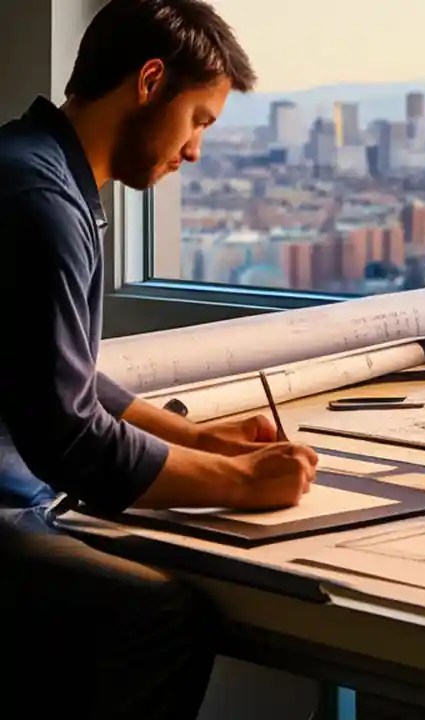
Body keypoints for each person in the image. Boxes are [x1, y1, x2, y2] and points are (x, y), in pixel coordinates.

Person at [0, 0, 317, 716]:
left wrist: (199, 440)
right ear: (149, 82)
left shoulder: (34, 167)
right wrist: (239, 486)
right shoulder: (39, 201)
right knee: (163, 616)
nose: (196, 150)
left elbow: (63, 374)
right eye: (199, 119)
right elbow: (70, 437)